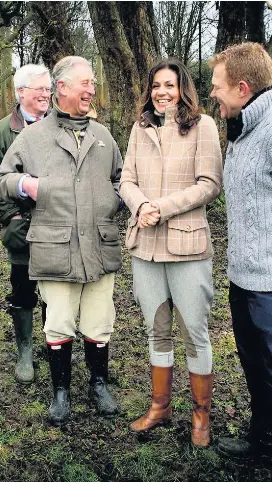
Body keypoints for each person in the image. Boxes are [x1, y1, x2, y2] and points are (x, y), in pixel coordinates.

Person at [0, 56, 123, 427]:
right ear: (62, 87)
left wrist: (112, 200)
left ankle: (99, 384)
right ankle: (61, 393)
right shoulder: (33, 137)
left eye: (93, 83)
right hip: (55, 247)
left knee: (99, 321)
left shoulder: (104, 136)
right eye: (85, 83)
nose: (92, 89)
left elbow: (121, 178)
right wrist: (26, 184)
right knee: (59, 321)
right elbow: (1, 179)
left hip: (99, 244)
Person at [120, 58, 222, 447]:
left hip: (188, 247)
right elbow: (126, 180)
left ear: (183, 89)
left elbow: (209, 184)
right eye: (156, 86)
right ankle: (159, 406)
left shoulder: (202, 126)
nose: (162, 92)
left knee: (194, 332)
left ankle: (200, 417)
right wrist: (140, 205)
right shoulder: (139, 128)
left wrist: (161, 208)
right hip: (146, 247)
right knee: (156, 330)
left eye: (170, 85)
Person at [209, 43, 272, 458]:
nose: (212, 92)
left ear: (242, 88)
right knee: (256, 367)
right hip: (244, 276)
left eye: (217, 86)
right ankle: (263, 440)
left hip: (268, 284)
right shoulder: (243, 128)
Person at [0, 64, 51, 384]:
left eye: (48, 89)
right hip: (21, 229)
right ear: (21, 92)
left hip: (57, 226)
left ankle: (53, 344)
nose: (46, 95)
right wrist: (13, 216)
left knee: (55, 289)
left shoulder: (60, 126)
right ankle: (25, 352)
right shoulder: (0, 132)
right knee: (23, 289)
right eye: (40, 89)